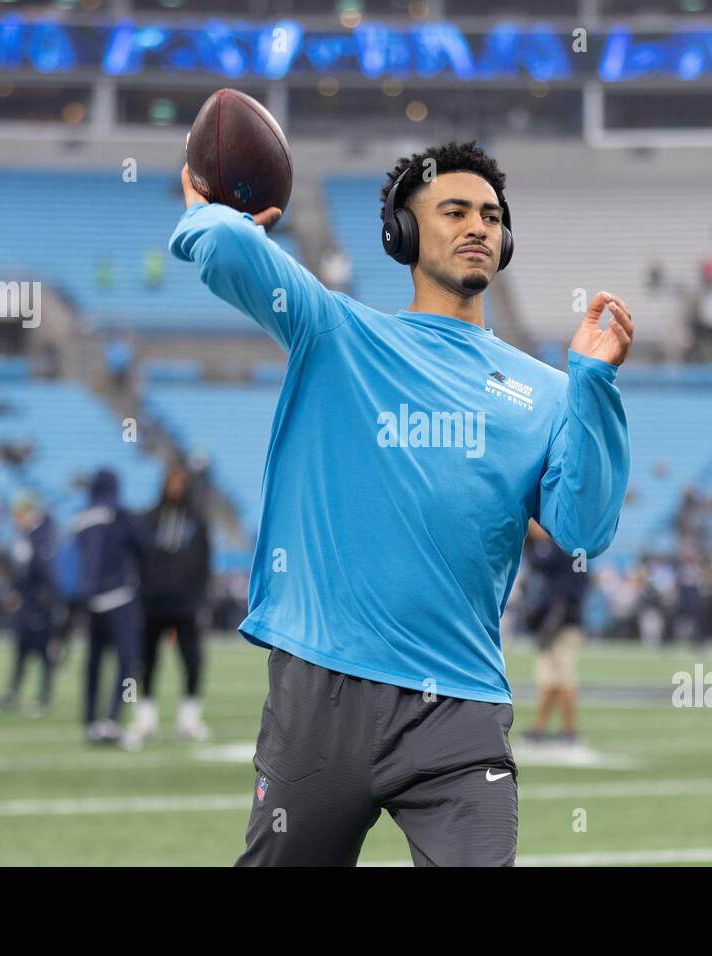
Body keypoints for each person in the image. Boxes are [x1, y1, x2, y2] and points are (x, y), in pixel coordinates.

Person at [171, 139, 633, 865]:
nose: (478, 226)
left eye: (490, 215)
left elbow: (586, 528)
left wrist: (595, 386)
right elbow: (225, 246)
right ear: (402, 233)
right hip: (322, 690)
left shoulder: (547, 390)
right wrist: (213, 213)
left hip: (460, 706)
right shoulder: (337, 333)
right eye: (453, 211)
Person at [128, 464, 212, 747]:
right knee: (146, 662)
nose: (175, 487)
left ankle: (189, 720)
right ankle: (145, 719)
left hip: (185, 605)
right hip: (152, 603)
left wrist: (200, 600)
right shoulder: (149, 519)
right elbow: (136, 559)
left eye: (180, 482)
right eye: (171, 482)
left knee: (193, 662)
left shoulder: (197, 522)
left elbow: (204, 565)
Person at [73, 468, 145, 745]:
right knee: (127, 660)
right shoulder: (118, 512)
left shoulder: (81, 518)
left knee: (93, 662)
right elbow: (140, 544)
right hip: (118, 597)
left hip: (90, 599)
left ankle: (91, 721)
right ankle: (112, 720)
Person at [520, 521, 587, 745]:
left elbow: (539, 561)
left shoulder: (564, 549)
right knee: (551, 680)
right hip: (562, 622)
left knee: (562, 679)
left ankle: (569, 730)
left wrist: (527, 536)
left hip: (562, 623)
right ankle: (541, 727)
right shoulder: (576, 548)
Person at [0, 493, 59, 717]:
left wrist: (42, 599)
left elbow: (42, 571)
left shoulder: (39, 536)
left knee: (42, 651)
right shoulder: (29, 536)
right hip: (29, 602)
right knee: (23, 649)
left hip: (38, 604)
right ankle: (15, 692)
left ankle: (43, 697)